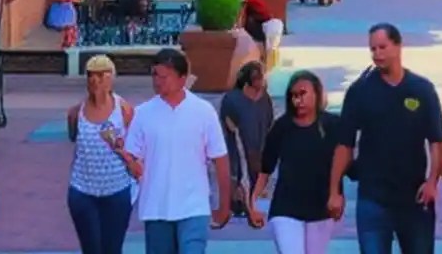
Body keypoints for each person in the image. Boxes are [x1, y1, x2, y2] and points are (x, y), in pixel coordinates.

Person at [327, 23, 442, 254]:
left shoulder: (422, 89)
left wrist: (432, 182)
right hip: (373, 197)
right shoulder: (359, 91)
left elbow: (437, 140)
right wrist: (334, 191)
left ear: (398, 46)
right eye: (373, 49)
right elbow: (344, 144)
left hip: (414, 197)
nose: (377, 54)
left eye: (382, 47)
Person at [118, 48, 232, 254]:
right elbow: (134, 160)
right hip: (156, 208)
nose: (157, 81)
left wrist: (224, 205)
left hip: (194, 207)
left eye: (164, 77)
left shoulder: (203, 111)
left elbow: (220, 159)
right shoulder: (143, 114)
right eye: (154, 75)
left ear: (182, 78)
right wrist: (130, 163)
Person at [250, 71, 340, 254]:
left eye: (303, 94)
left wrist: (337, 195)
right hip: (285, 208)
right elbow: (266, 169)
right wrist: (252, 203)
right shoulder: (282, 127)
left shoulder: (332, 125)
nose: (298, 100)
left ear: (317, 93)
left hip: (321, 208)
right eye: (294, 96)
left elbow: (346, 163)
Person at [67, 55, 135, 254]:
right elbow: (74, 139)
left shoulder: (124, 110)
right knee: (91, 248)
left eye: (101, 75)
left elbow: (135, 147)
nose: (95, 81)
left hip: (116, 189)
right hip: (83, 190)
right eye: (90, 75)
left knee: (112, 248)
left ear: (111, 77)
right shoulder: (76, 112)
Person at [221, 61, 273, 219]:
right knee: (239, 174)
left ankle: (253, 202)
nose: (261, 81)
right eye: (257, 78)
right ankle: (238, 202)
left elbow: (268, 120)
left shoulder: (264, 99)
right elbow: (228, 124)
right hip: (239, 147)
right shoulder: (232, 99)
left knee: (257, 174)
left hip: (259, 145)